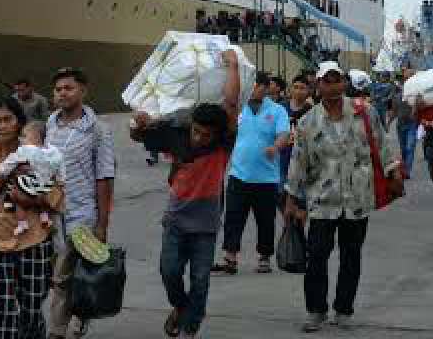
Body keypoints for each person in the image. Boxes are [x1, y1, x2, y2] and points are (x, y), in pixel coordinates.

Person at [131, 52, 241, 339]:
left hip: (205, 225)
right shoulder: (175, 135)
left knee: (201, 280)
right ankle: (180, 307)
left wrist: (232, 66)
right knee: (169, 272)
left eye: (206, 134)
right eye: (196, 131)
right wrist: (139, 123)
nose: (199, 138)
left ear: (217, 134)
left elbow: (230, 104)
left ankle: (190, 329)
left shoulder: (222, 144)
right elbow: (139, 134)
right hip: (176, 220)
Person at [286, 61, 400, 332]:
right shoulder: (307, 122)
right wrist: (291, 197)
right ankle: (316, 310)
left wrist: (393, 170)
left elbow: (383, 144)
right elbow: (298, 161)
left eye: (337, 80)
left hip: (356, 199)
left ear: (344, 83)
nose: (333, 86)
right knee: (317, 257)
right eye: (327, 81)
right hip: (322, 201)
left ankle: (343, 309)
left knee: (351, 256)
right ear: (319, 85)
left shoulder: (365, 113)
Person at [0, 97, 64, 339]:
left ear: (19, 122)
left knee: (31, 308)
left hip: (34, 238)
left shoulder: (39, 153)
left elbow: (58, 194)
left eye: (7, 119)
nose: (1, 126)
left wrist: (32, 200)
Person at [45, 67, 116, 339]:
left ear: (83, 91)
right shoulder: (51, 123)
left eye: (69, 88)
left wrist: (102, 223)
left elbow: (105, 177)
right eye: (58, 89)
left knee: (65, 276)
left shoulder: (98, 130)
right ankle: (78, 314)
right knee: (61, 276)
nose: (62, 93)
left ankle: (58, 331)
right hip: (52, 214)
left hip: (83, 214)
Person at [212, 70, 291, 276]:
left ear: (264, 88)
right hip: (239, 175)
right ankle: (230, 258)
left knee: (265, 220)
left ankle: (264, 257)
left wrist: (276, 146)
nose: (251, 89)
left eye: (255, 85)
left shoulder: (277, 111)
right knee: (233, 217)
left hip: (266, 178)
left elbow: (284, 133)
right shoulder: (238, 110)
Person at [0, 121, 64, 237]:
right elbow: (60, 166)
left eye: (24, 136)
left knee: (15, 198)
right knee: (39, 197)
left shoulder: (26, 150)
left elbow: (11, 161)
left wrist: (1, 171)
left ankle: (22, 223)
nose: (21, 139)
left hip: (29, 184)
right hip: (45, 185)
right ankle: (44, 216)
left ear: (35, 137)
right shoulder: (53, 152)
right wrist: (61, 179)